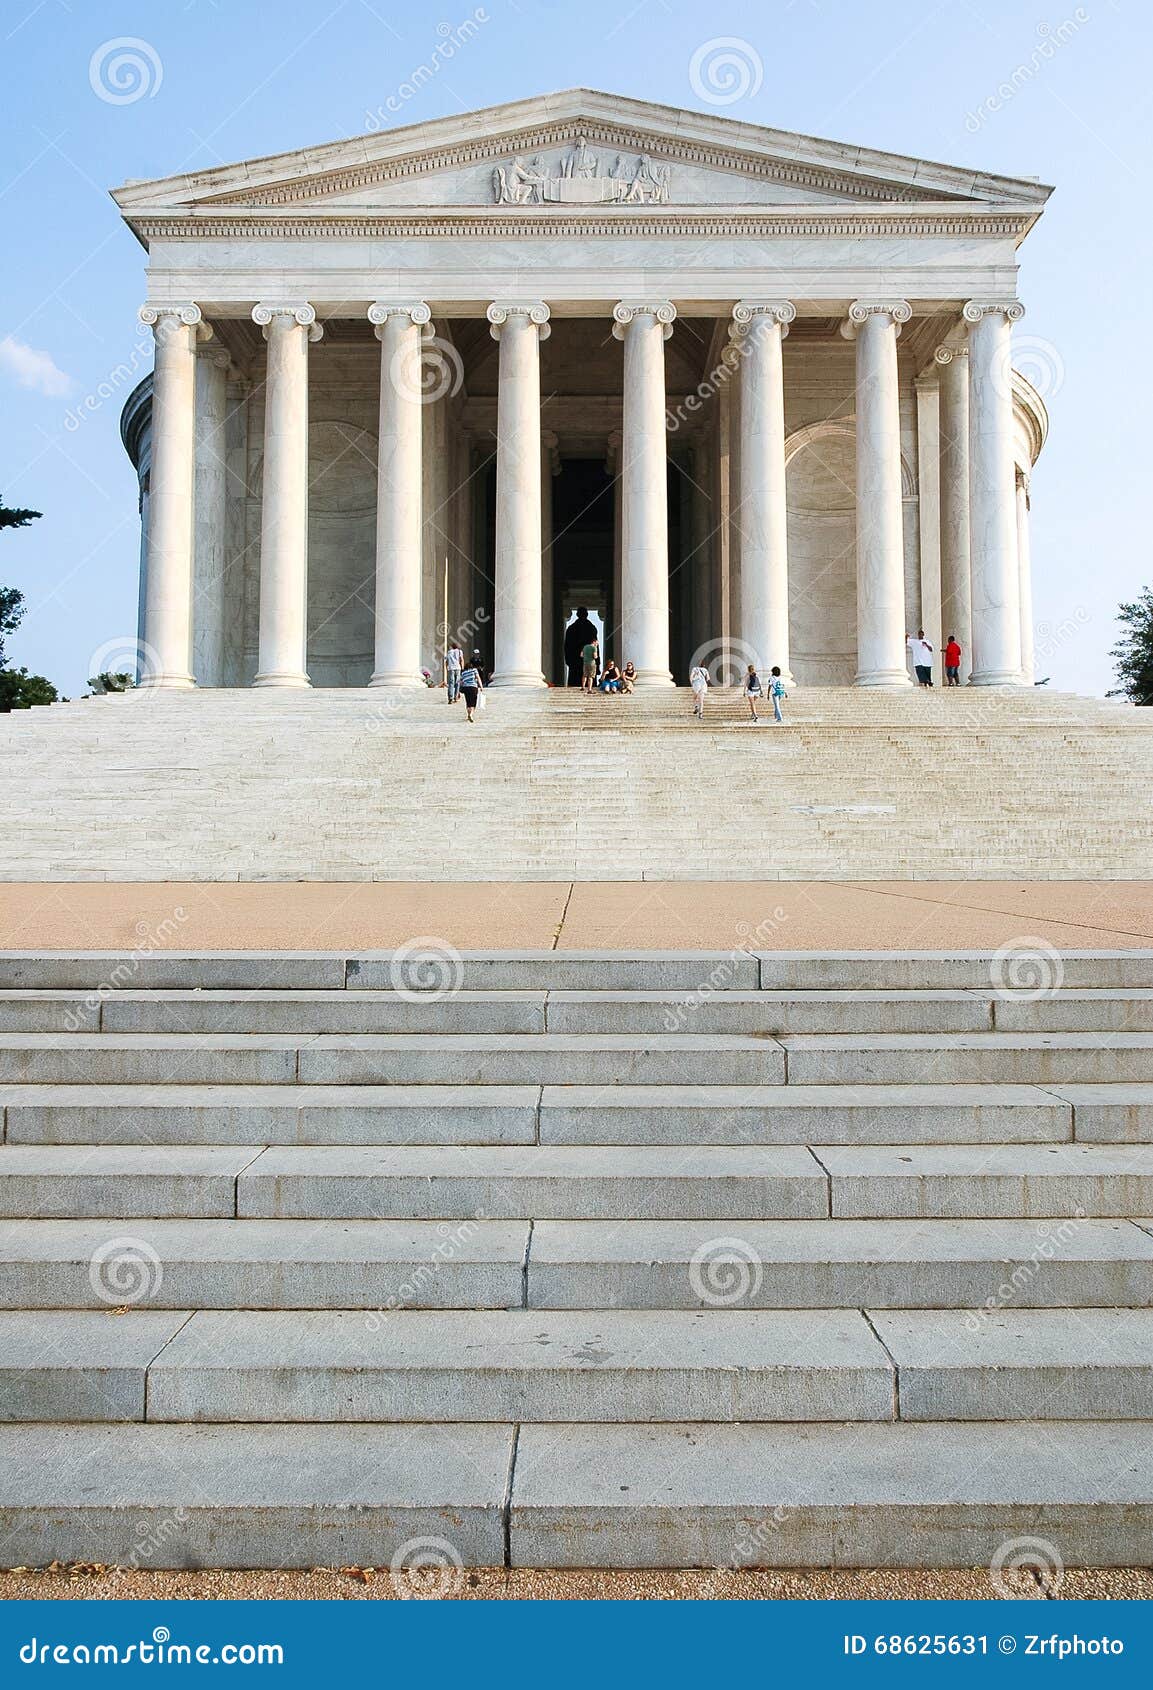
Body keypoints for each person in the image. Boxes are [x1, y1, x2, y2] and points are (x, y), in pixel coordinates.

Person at [564, 608, 599, 687]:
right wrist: (598, 662)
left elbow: (567, 646)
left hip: (576, 659)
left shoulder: (571, 628)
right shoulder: (591, 628)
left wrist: (568, 659)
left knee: (576, 680)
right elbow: (596, 645)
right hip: (580, 659)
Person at [459, 653, 485, 723]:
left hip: (466, 688)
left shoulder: (463, 673)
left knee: (468, 702)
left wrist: (458, 690)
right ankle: (471, 714)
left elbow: (461, 681)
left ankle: (468, 714)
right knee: (473, 702)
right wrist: (481, 686)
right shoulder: (474, 670)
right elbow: (478, 678)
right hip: (473, 687)